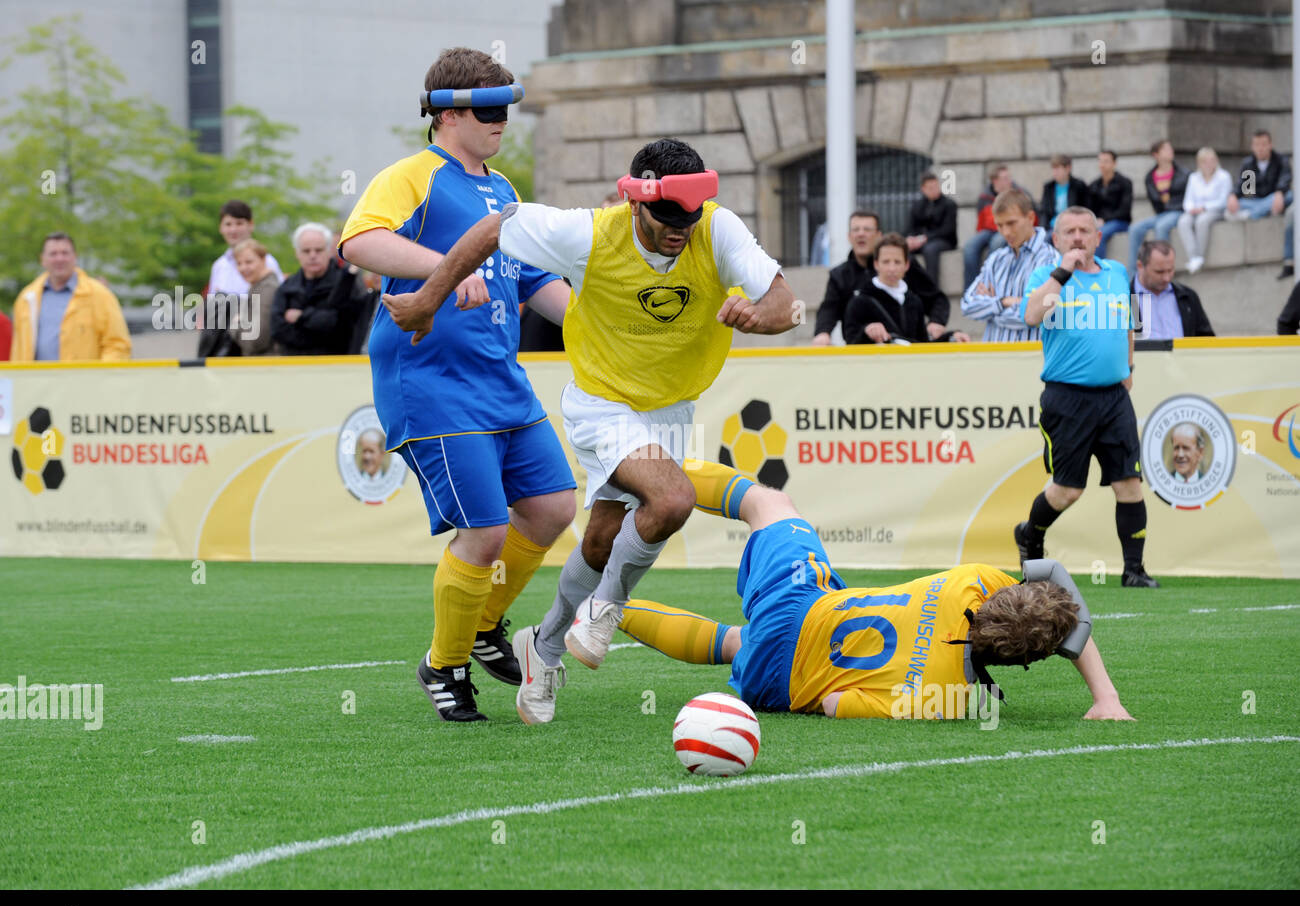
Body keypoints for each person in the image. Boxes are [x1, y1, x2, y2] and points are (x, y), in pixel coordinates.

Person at [382, 137, 795, 726]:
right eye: (665, 218)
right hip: (600, 403)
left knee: (601, 539)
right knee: (672, 498)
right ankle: (603, 611)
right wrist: (428, 297)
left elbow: (784, 301)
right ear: (634, 204)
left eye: (690, 216)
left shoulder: (717, 229)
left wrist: (765, 316)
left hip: (670, 409)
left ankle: (543, 648)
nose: (680, 229)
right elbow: (494, 229)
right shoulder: (587, 232)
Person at [338, 46, 577, 722]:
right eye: (489, 107)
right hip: (430, 379)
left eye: (509, 105)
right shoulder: (412, 174)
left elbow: (533, 280)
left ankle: (481, 623)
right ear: (445, 114)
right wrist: (446, 267)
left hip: (501, 375)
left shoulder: (504, 191)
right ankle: (442, 664)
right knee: (485, 529)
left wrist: (597, 322)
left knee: (556, 505)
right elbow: (358, 241)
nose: (503, 119)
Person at [616, 458, 1133, 721]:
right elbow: (838, 704)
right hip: (775, 683)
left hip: (803, 607)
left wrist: (1105, 693)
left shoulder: (973, 582)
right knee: (735, 643)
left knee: (769, 503)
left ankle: (641, 473)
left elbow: (1057, 584)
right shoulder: (948, 699)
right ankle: (603, 609)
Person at [1015, 206, 1159, 589]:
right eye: (1070, 231)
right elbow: (1031, 316)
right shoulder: (1046, 277)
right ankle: (1030, 535)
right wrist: (1062, 273)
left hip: (1114, 398)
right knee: (1068, 490)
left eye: (1085, 230)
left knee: (1129, 483)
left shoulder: (1116, 273)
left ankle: (1134, 570)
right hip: (1068, 398)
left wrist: (1128, 368)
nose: (1078, 237)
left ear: (1098, 237)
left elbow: (1132, 323)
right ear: (1056, 240)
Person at [812, 211, 950, 345]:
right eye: (856, 229)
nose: (891, 269)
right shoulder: (842, 278)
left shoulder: (913, 297)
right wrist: (822, 333)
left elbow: (935, 300)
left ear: (905, 266)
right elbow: (829, 309)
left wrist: (939, 324)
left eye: (867, 229)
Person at [10, 233, 131, 362]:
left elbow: (117, 345)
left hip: (84, 381)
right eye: (53, 254)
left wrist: (100, 379)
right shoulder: (26, 298)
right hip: (37, 381)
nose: (59, 258)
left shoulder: (100, 295)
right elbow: (18, 350)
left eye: (65, 253)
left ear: (75, 257)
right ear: (42, 259)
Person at [960, 188, 1060, 342]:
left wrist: (991, 310)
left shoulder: (1049, 259)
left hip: (1029, 360)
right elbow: (967, 304)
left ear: (1031, 217)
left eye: (1011, 223)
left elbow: (1037, 314)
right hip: (993, 359)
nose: (1005, 232)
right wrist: (1004, 301)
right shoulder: (996, 259)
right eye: (999, 225)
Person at [843, 233, 970, 343]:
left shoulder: (914, 301)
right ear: (876, 264)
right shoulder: (859, 302)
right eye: (886, 262)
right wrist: (866, 333)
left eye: (897, 262)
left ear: (907, 265)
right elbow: (850, 344)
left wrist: (950, 337)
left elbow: (922, 345)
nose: (892, 269)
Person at [272, 222, 364, 355]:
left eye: (318, 250)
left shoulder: (347, 283)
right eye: (306, 251)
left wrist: (301, 317)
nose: (312, 255)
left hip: (337, 363)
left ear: (329, 251)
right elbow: (277, 330)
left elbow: (342, 326)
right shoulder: (287, 287)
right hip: (295, 364)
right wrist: (318, 325)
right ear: (297, 254)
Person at [962, 165, 1032, 290]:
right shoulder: (984, 197)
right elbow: (980, 220)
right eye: (1005, 178)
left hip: (1006, 230)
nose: (1009, 181)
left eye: (1009, 177)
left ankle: (991, 284)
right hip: (988, 230)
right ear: (995, 181)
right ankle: (971, 289)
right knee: (969, 247)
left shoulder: (1019, 193)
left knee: (997, 242)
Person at [1127, 139, 1188, 275]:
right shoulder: (1150, 177)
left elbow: (1187, 198)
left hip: (1178, 211)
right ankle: (1133, 274)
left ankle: (1163, 269)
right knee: (1135, 229)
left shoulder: (1184, 173)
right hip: (1162, 214)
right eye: (1166, 149)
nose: (1170, 151)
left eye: (1170, 149)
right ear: (1156, 155)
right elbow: (1155, 201)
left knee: (1161, 226)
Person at [1130, 240, 1214, 339]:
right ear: (1140, 266)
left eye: (1170, 270)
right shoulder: (1123, 299)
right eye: (1159, 272)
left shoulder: (1187, 296)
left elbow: (1206, 339)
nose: (1167, 278)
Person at [206, 200, 284, 298]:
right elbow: (212, 306)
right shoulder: (219, 266)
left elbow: (278, 300)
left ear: (251, 225)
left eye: (239, 223)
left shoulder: (266, 262)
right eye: (228, 224)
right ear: (220, 228)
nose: (233, 230)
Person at [1176, 147, 1231, 274]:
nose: (1208, 164)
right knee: (1183, 221)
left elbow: (1223, 201)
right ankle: (1193, 256)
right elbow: (1187, 200)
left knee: (1202, 221)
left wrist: (1204, 208)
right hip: (1195, 211)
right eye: (1204, 161)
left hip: (1215, 210)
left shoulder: (1224, 176)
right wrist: (1192, 209)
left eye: (1212, 160)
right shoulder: (1193, 178)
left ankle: (1200, 256)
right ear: (1199, 163)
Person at [1226, 130, 1292, 221]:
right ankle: (1262, 212)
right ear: (1252, 147)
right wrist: (1233, 195)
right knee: (1233, 204)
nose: (1260, 148)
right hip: (1256, 201)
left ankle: (1251, 215)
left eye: (1263, 144)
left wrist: (1279, 192)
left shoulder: (1281, 160)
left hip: (1274, 198)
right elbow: (1241, 185)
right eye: (1257, 145)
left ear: (1270, 145)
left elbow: (1285, 179)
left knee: (1289, 196)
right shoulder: (1248, 164)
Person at [230, 238, 278, 356]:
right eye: (239, 263)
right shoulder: (257, 287)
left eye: (249, 262)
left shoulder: (267, 290)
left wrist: (235, 326)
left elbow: (255, 341)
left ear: (263, 260)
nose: (243, 268)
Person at [905, 171, 957, 275]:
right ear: (923, 189)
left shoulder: (949, 204)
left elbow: (947, 230)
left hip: (943, 241)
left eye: (936, 186)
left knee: (930, 250)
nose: (935, 190)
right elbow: (911, 227)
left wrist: (925, 238)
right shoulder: (917, 205)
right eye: (930, 188)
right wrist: (911, 239)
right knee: (903, 249)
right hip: (921, 241)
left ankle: (932, 286)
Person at [1088, 150, 1132, 260]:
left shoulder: (1125, 183)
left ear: (1114, 163)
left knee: (1100, 234)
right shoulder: (1094, 185)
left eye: (1106, 161)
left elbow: (1125, 210)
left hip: (1120, 221)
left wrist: (1105, 219)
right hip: (1099, 222)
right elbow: (1090, 208)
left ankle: (1099, 267)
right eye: (1100, 161)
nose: (1102, 165)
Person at [1038, 154, 1090, 229]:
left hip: (1073, 225)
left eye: (1058, 168)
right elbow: (1044, 211)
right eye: (1053, 168)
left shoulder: (1079, 185)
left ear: (1068, 168)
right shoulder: (1048, 187)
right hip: (1052, 226)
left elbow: (1085, 208)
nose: (1055, 172)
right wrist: (1043, 228)